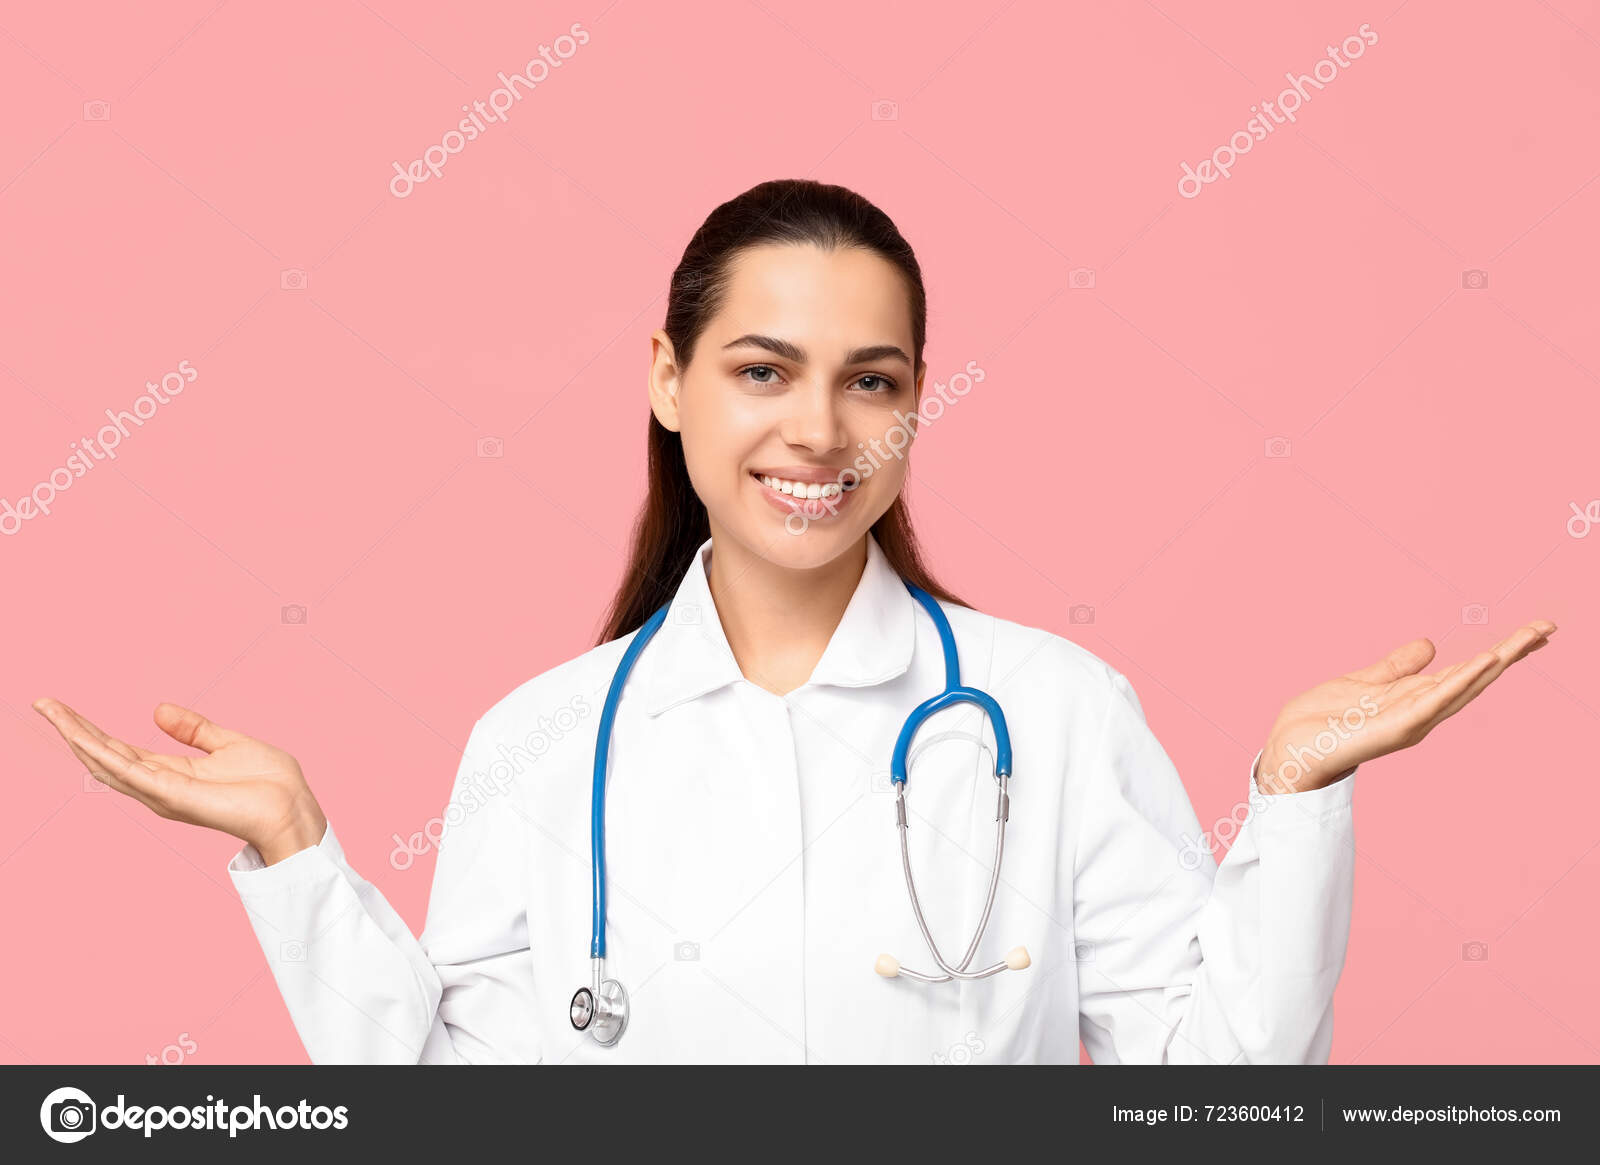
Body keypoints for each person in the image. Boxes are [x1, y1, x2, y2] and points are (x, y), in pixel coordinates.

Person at [34, 179, 1555, 1064]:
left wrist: (1294, 799)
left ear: (913, 404)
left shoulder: (1057, 708)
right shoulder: (544, 741)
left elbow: (1219, 1084)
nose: (819, 429)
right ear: (667, 379)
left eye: (872, 379)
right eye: (763, 370)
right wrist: (299, 854)